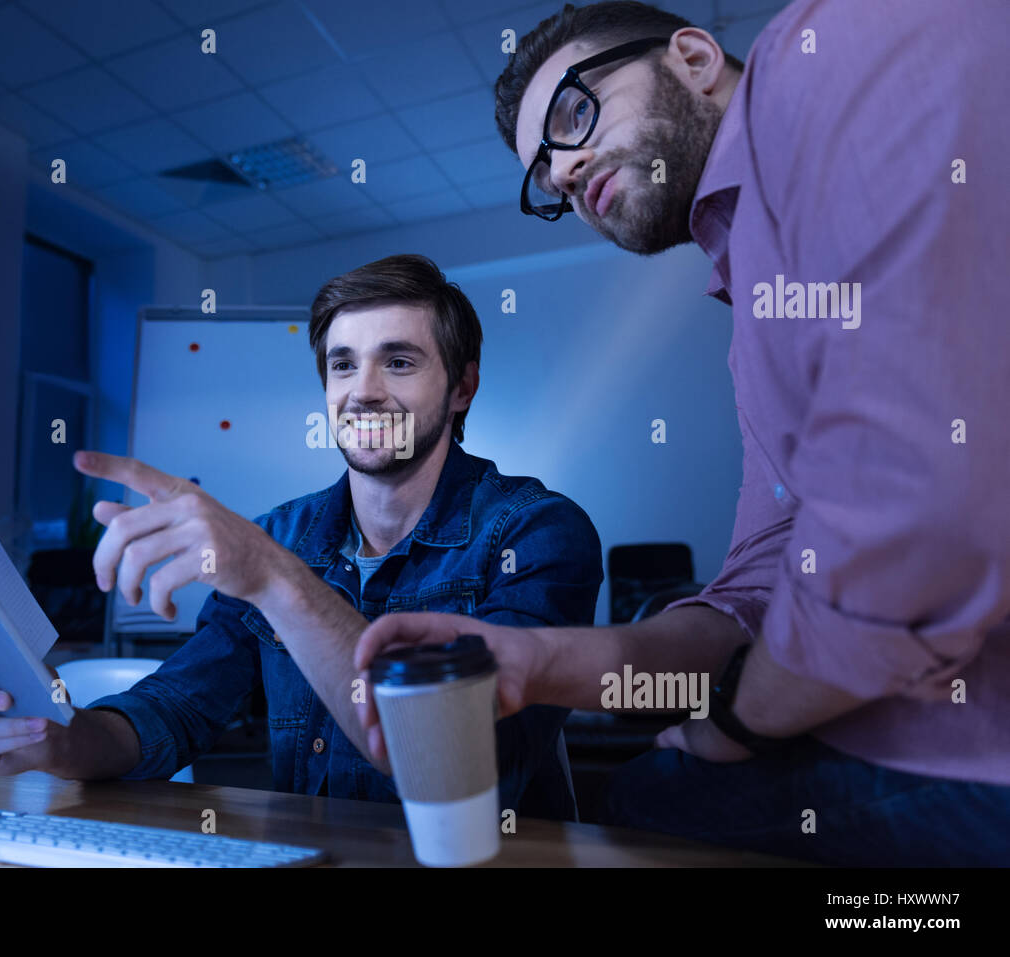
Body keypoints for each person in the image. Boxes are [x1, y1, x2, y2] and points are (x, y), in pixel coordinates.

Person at [355, 0, 1010, 865]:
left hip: (970, 753)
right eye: (544, 174)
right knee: (644, 793)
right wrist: (536, 659)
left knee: (644, 806)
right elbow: (760, 587)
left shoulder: (835, 48)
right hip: (898, 734)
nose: (563, 170)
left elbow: (912, 525)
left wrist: (736, 719)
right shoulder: (752, 322)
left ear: (695, 57)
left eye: (572, 115)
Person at [0, 253, 602, 821]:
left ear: (462, 386)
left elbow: (468, 772)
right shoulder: (282, 534)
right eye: (343, 365)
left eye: (398, 362)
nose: (362, 392)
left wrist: (276, 579)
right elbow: (175, 710)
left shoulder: (539, 532)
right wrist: (62, 741)